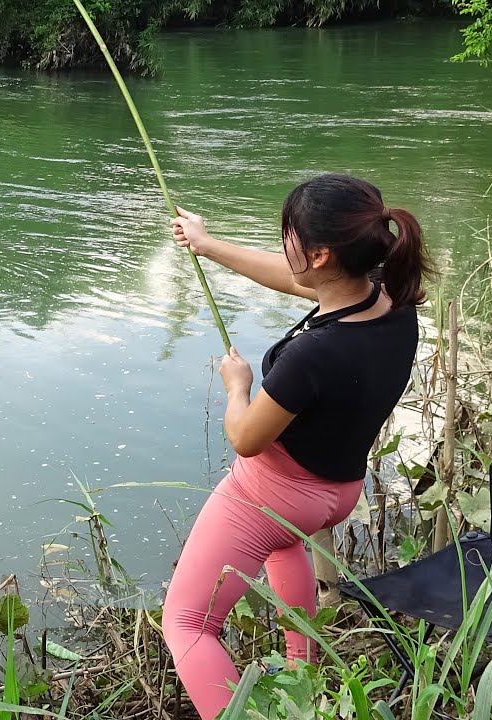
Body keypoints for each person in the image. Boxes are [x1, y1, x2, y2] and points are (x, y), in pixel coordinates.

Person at [162, 173, 431, 719]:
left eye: (289, 234)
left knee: (188, 622)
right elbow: (296, 282)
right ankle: (301, 672)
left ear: (322, 253)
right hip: (337, 492)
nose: (283, 244)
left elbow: (245, 438)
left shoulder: (312, 356)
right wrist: (208, 245)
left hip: (274, 494)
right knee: (286, 545)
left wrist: (238, 386)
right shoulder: (391, 305)